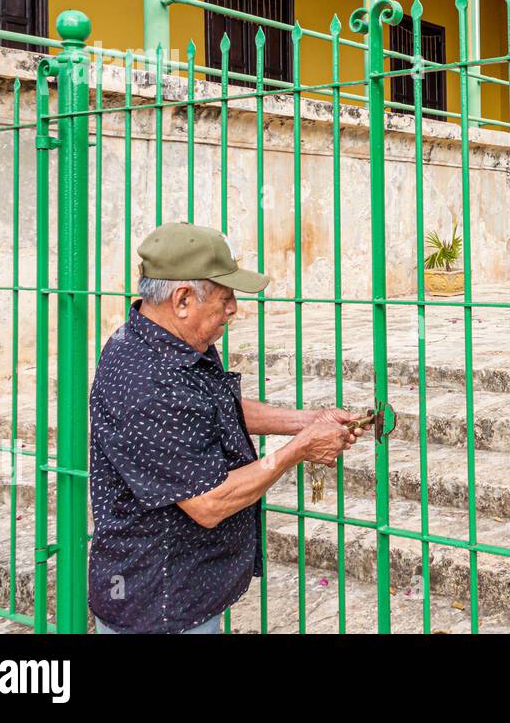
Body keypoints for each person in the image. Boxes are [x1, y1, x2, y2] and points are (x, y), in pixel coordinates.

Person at [87, 222, 365, 633]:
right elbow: (208, 502)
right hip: (158, 603)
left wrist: (306, 421)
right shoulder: (148, 381)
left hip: (183, 586)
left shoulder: (166, 340)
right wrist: (299, 449)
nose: (234, 308)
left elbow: (212, 408)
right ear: (182, 299)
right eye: (225, 297)